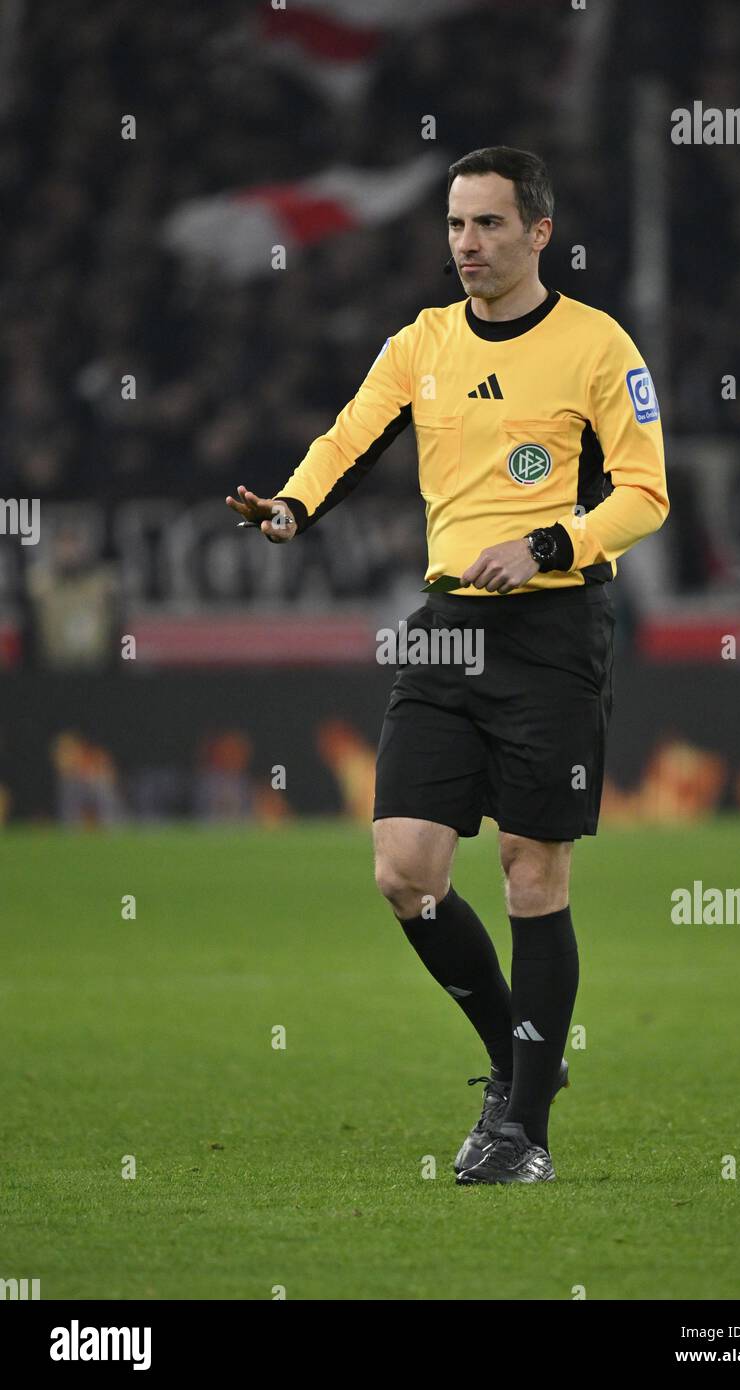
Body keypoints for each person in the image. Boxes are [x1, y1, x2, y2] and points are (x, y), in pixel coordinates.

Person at [226, 146, 669, 1183]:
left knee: (530, 873)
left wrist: (548, 543)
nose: (467, 245)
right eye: (456, 226)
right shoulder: (418, 344)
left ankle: (521, 1133)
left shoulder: (597, 347)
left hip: (554, 630)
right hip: (446, 627)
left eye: (487, 226)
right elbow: (347, 438)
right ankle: (520, 1067)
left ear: (537, 234)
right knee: (403, 870)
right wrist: (292, 504)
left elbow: (644, 493)